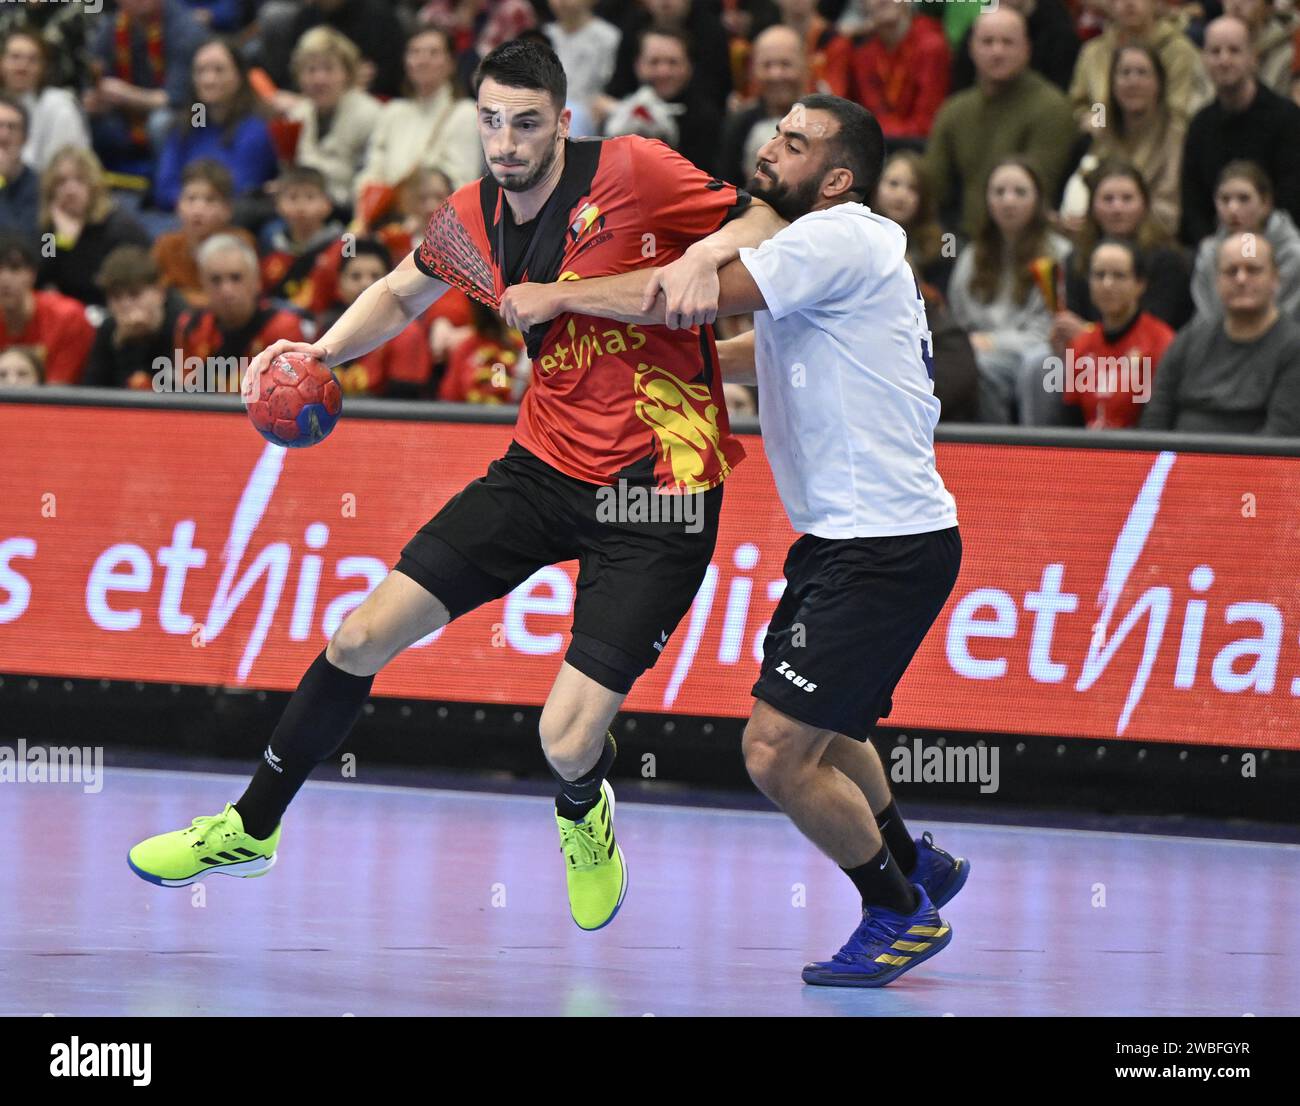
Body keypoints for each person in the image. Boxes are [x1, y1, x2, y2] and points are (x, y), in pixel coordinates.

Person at [127, 38, 783, 939]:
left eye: (524, 123)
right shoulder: (470, 216)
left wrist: (694, 262)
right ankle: (250, 825)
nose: (505, 142)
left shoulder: (636, 171)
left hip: (660, 494)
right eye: (490, 122)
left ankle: (583, 813)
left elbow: (768, 226)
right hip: (541, 471)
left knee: (563, 739)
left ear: (561, 121)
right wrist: (319, 352)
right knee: (357, 637)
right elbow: (400, 294)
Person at [500, 94, 966, 988]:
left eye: (794, 144)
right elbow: (752, 346)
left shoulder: (838, 237)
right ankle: (921, 866)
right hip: (854, 540)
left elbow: (688, 300)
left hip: (882, 545)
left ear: (835, 179)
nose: (771, 148)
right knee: (830, 731)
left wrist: (556, 297)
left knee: (775, 752)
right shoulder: (831, 254)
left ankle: (896, 910)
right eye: (775, 131)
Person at [924, 8, 1075, 238]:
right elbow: (932, 187)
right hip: (962, 239)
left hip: (1031, 239)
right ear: (972, 49)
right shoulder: (954, 110)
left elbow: (1038, 188)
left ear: (1027, 49)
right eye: (987, 42)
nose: (997, 51)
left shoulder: (1052, 107)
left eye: (1007, 42)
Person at [946, 156, 1071, 424]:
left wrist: (990, 342)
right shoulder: (971, 255)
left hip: (1039, 351)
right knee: (965, 364)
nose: (1009, 201)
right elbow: (960, 319)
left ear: (1038, 199)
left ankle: (1022, 449)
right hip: (982, 352)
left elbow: (1050, 329)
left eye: (1020, 192)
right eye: (999, 192)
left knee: (1018, 366)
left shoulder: (1059, 254)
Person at [1140, 233, 1300, 434]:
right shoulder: (1189, 340)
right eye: (1231, 271)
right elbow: (1155, 418)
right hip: (1176, 460)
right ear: (1216, 281)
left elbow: (1281, 433)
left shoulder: (1293, 347)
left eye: (1253, 270)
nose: (1241, 279)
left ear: (1275, 279)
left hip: (1253, 462)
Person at [1180, 15, 1300, 246]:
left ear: (1253, 58)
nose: (1224, 60)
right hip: (1216, 251)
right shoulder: (1200, 126)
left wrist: (1250, 248)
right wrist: (1215, 250)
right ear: (1204, 60)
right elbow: (1193, 207)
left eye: (1234, 51)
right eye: (1215, 52)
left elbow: (1293, 199)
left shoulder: (1287, 119)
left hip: (1279, 246)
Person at [1054, 160, 1193, 347]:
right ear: (1092, 206)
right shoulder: (1076, 259)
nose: (1117, 208)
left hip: (1148, 354)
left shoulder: (1168, 260)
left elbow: (1158, 326)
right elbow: (1072, 317)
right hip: (1087, 352)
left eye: (1127, 199)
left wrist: (1090, 334)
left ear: (1144, 204)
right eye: (1108, 199)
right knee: (1041, 363)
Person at [1058, 42, 1185, 238]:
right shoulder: (1096, 134)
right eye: (1124, 73)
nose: (1133, 82)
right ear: (1112, 84)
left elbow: (1173, 209)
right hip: (1096, 238)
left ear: (1159, 83)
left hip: (1156, 241)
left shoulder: (1178, 136)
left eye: (1142, 73)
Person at [353, 27, 481, 202]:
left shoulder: (465, 113)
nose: (422, 60)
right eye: (415, 52)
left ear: (451, 64)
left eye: (433, 53)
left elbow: (462, 183)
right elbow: (373, 170)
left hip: (438, 219)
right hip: (389, 216)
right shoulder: (392, 111)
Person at [153, 36, 279, 211]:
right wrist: (195, 206)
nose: (208, 80)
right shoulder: (188, 124)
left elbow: (239, 190)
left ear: (240, 75)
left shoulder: (258, 127)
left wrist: (194, 202)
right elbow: (164, 188)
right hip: (185, 217)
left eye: (219, 70)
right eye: (201, 71)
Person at [1061, 238, 1174, 428]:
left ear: (1140, 284)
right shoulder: (1080, 345)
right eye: (1099, 275)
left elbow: (1163, 418)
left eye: (1119, 276)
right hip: (1085, 452)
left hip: (1139, 451)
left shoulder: (1161, 342)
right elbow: (1070, 419)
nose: (1107, 284)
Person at [173, 233, 308, 386]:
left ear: (257, 281)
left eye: (236, 278)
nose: (226, 290)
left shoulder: (283, 328)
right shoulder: (191, 326)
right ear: (203, 285)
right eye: (215, 280)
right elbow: (187, 393)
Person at [273, 26, 382, 211]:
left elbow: (371, 180)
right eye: (310, 70)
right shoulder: (296, 115)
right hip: (302, 211)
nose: (319, 79)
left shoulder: (371, 115)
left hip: (348, 211)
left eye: (329, 69)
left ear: (347, 74)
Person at [36, 146, 151, 307]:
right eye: (61, 182)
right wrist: (62, 242)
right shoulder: (51, 231)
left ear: (94, 185)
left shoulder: (120, 228)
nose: (70, 190)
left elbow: (100, 285)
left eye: (79, 180)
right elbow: (39, 280)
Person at [1067, 0, 1210, 126]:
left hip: (1163, 145)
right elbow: (1080, 104)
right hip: (1105, 145)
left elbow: (1179, 110)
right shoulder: (1094, 52)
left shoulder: (1178, 51)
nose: (1129, 3)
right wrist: (1096, 120)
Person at [600, 27, 722, 175]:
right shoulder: (617, 113)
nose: (663, 71)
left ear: (689, 67)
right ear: (638, 65)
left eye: (673, 62)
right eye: (654, 62)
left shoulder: (708, 118)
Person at [1190, 160, 1300, 320]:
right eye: (1225, 199)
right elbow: (1205, 316)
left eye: (1244, 199)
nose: (1233, 209)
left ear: (1266, 203)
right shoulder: (1209, 252)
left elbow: (1287, 317)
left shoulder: (1293, 254)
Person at [151, 159, 259, 307]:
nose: (198, 210)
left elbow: (246, 296)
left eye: (210, 200)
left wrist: (179, 298)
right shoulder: (166, 245)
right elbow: (153, 292)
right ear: (178, 206)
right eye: (190, 199)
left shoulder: (240, 244)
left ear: (227, 210)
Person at [842, 0, 950, 146]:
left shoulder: (931, 47)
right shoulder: (862, 56)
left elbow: (926, 125)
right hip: (874, 147)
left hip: (919, 149)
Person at [85, 245, 189, 389]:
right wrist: (124, 345)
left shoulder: (184, 326)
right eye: (116, 297)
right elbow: (92, 391)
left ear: (160, 293)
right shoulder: (110, 330)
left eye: (135, 294)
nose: (126, 305)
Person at [0, 231, 95, 385]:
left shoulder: (69, 318)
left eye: (14, 269)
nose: (4, 280)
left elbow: (56, 394)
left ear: (32, 274)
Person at [720, 25, 810, 187]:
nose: (776, 75)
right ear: (753, 70)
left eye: (785, 64)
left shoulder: (824, 122)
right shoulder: (738, 125)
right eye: (767, 65)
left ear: (804, 66)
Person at [1, 27, 90, 172]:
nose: (23, 66)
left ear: (43, 67)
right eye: (15, 57)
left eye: (32, 60)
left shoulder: (58, 106)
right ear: (1, 62)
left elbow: (64, 170)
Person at [0, 94, 40, 240]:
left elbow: (47, 252)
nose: (4, 135)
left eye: (12, 127)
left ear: (25, 138)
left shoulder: (42, 187)